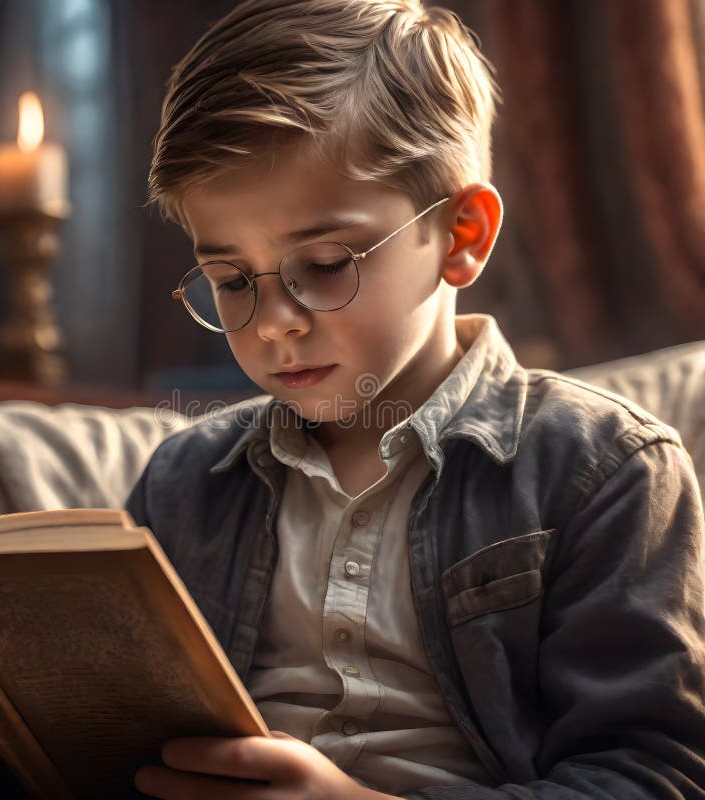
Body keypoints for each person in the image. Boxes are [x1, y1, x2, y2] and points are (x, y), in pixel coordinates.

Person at [123, 1, 705, 799]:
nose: (273, 325)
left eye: (324, 264)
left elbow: (651, 777)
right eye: (230, 281)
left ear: (462, 235)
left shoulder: (604, 472)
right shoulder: (181, 484)